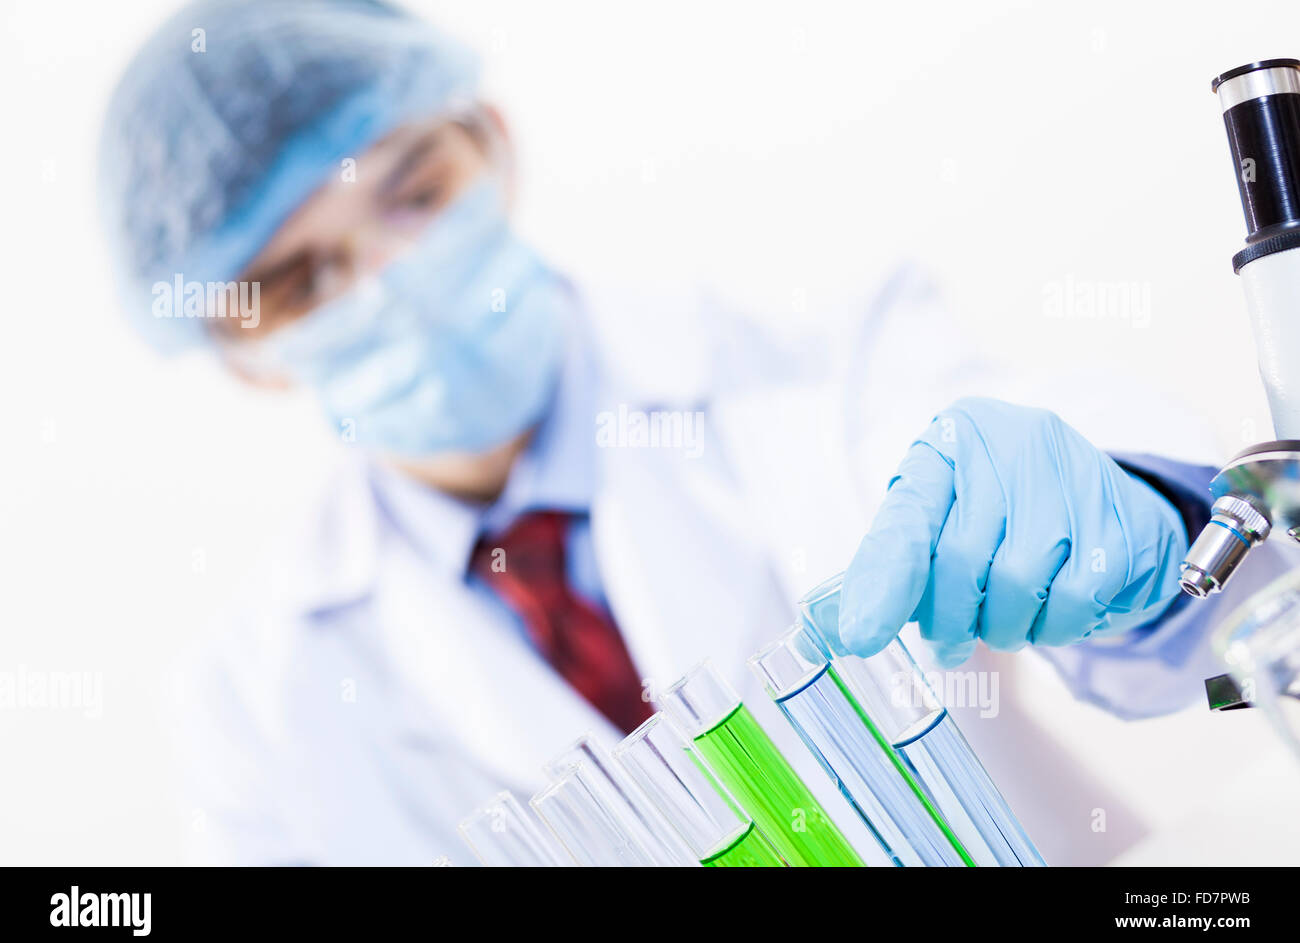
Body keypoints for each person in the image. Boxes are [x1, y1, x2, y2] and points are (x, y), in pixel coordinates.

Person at [98, 0, 1292, 865]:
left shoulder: (814, 360)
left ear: (492, 146)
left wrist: (1157, 519)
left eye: (413, 191)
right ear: (237, 349)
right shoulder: (255, 708)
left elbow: (1223, 613)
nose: (391, 280)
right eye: (303, 279)